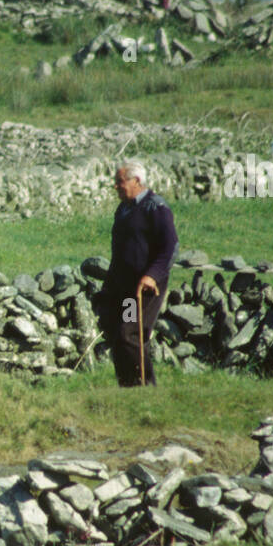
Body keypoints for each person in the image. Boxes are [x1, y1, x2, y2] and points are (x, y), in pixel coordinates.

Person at [95, 161, 179, 387]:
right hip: (123, 286)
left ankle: (144, 386)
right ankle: (127, 386)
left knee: (129, 333)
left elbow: (170, 246)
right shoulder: (123, 209)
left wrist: (152, 274)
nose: (116, 186)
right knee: (117, 333)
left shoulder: (156, 207)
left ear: (137, 181)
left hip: (143, 288)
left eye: (120, 181)